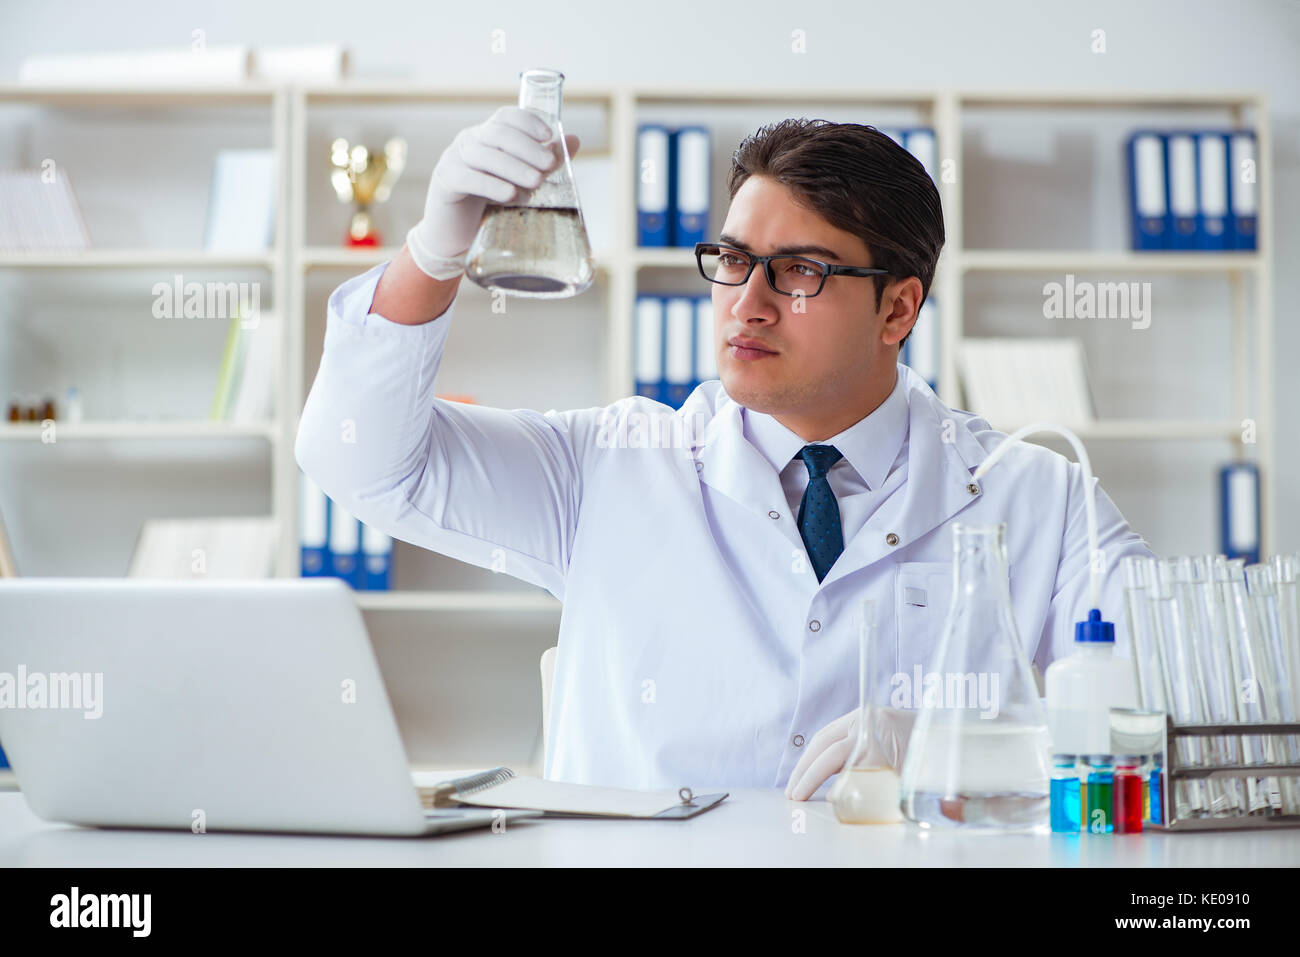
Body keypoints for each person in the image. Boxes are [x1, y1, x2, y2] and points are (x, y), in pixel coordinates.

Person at [295, 106, 1155, 801]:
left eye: (800, 272)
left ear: (898, 310)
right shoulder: (611, 465)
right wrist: (434, 251)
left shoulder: (1033, 495)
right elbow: (360, 461)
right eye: (735, 260)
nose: (747, 303)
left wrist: (970, 739)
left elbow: (1170, 711)